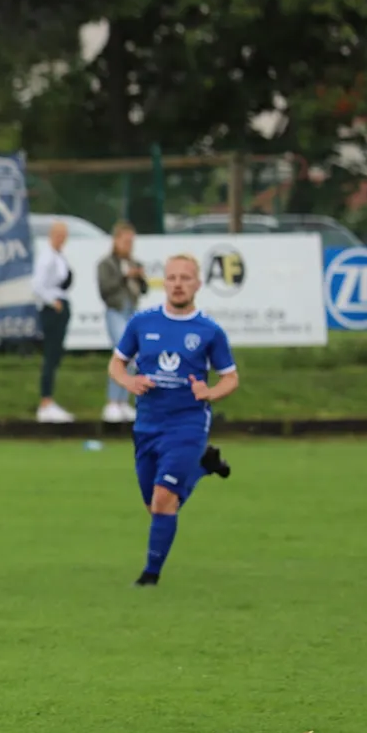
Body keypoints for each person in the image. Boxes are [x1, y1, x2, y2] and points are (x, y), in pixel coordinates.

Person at [109, 253, 237, 586]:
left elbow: (230, 378)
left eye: (185, 278)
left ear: (197, 284)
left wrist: (210, 392)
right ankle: (203, 467)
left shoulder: (209, 331)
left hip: (187, 424)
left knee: (165, 498)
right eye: (172, 278)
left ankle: (150, 577)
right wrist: (129, 382)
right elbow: (116, 365)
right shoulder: (142, 323)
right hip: (148, 424)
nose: (178, 284)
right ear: (163, 282)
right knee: (155, 507)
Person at [96, 220, 149, 422]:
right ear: (116, 240)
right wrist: (125, 276)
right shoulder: (106, 264)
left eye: (131, 242)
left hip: (132, 312)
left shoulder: (134, 262)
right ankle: (111, 403)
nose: (129, 246)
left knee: (133, 356)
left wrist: (139, 277)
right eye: (126, 241)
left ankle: (122, 402)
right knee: (121, 353)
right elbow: (105, 289)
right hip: (116, 311)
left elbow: (144, 290)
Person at [33, 218, 75, 423]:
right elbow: (37, 286)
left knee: (56, 354)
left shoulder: (59, 256)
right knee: (50, 355)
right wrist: (53, 302)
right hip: (52, 310)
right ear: (51, 235)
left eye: (64, 236)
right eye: (58, 235)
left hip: (62, 305)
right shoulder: (46, 258)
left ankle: (50, 400)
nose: (61, 239)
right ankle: (45, 402)